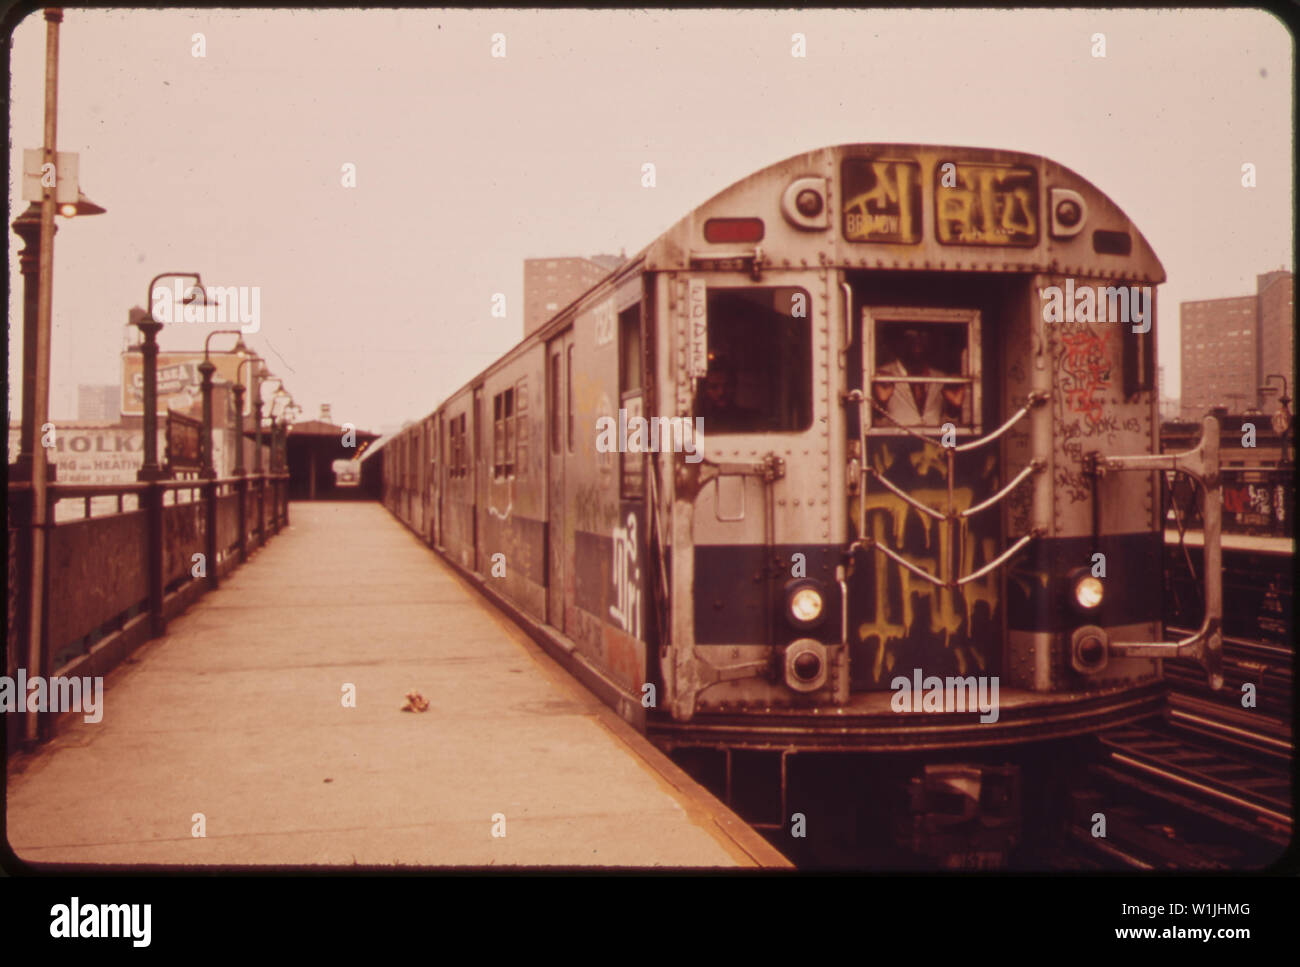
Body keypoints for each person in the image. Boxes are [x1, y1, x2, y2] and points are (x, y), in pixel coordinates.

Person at [873, 326, 965, 426]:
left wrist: (953, 410)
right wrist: (881, 404)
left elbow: (948, 435)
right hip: (896, 441)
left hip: (933, 442)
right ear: (899, 342)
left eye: (924, 336)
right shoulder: (880, 376)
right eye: (911, 335)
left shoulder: (941, 378)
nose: (918, 342)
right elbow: (873, 426)